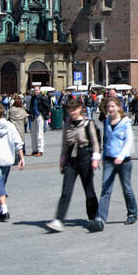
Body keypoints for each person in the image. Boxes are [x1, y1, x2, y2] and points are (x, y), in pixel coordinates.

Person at [47, 98, 101, 231]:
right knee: (66, 190)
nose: (72, 112)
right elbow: (65, 143)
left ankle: (93, 217)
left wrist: (95, 159)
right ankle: (59, 219)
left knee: (89, 190)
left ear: (80, 108)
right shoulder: (67, 123)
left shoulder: (88, 123)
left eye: (75, 109)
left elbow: (95, 142)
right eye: (70, 109)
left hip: (85, 158)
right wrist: (62, 160)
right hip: (71, 159)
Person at [93, 95, 137, 229]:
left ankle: (132, 213)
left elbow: (128, 141)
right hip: (109, 160)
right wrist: (101, 156)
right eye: (108, 107)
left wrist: (121, 155)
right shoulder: (106, 121)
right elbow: (106, 140)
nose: (110, 109)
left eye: (112, 106)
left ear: (118, 107)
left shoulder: (125, 122)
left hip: (124, 161)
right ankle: (100, 218)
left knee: (127, 188)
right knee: (106, 189)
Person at [0, 102, 25, 222]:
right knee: (1, 183)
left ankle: (4, 210)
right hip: (8, 158)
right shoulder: (10, 126)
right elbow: (18, 142)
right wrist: (21, 157)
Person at [27, 85, 50, 155]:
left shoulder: (42, 97)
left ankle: (40, 150)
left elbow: (48, 106)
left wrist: (44, 114)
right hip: (33, 116)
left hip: (40, 115)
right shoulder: (33, 98)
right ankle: (34, 150)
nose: (35, 91)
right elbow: (31, 107)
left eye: (36, 90)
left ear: (39, 90)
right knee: (33, 133)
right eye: (34, 90)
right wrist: (30, 114)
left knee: (40, 133)